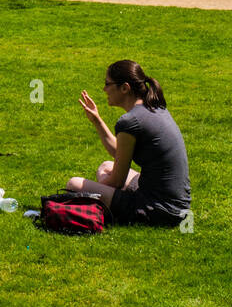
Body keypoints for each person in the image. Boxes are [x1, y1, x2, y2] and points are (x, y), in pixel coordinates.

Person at [65, 59, 191, 228]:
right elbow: (121, 152)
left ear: (124, 88)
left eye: (107, 84)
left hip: (160, 211)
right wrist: (97, 120)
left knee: (73, 185)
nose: (104, 89)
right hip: (176, 204)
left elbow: (117, 181)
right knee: (105, 167)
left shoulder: (130, 122)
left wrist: (91, 192)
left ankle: (108, 208)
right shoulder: (154, 106)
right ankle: (110, 203)